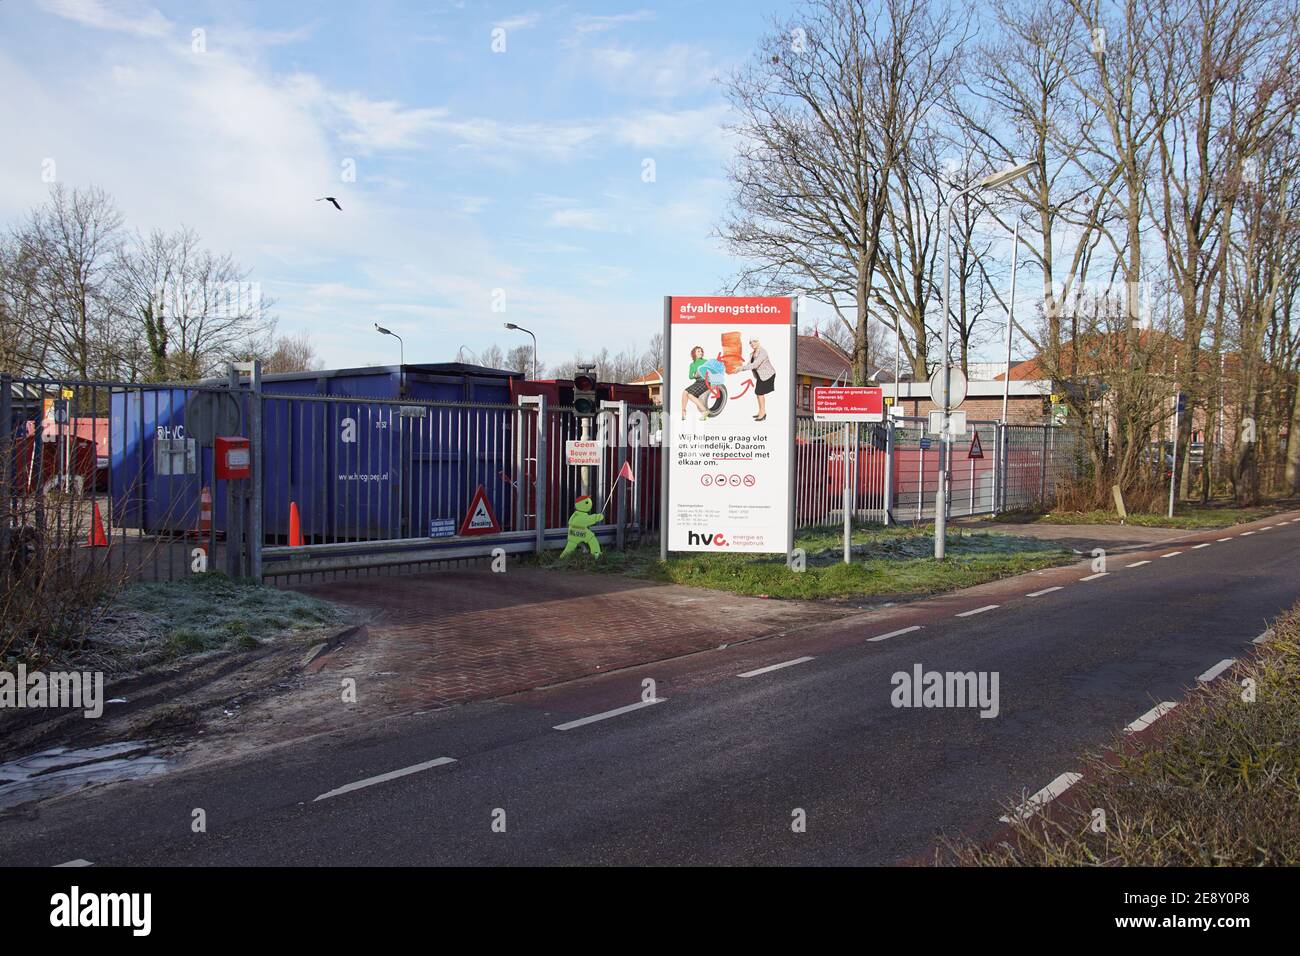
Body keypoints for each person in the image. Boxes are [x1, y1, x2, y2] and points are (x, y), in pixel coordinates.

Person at [738, 337, 776, 421]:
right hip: (760, 375)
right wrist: (739, 369)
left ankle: (763, 414)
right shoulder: (752, 354)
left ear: (758, 342)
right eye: (750, 342)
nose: (752, 344)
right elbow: (749, 364)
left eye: (754, 341)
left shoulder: (763, 352)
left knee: (759, 392)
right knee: (758, 393)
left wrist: (741, 368)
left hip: (767, 375)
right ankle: (761, 412)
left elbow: (755, 365)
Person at [681, 345, 712, 421]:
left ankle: (704, 411)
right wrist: (695, 375)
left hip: (706, 381)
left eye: (701, 351)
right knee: (686, 393)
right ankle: (684, 411)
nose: (700, 352)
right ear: (694, 353)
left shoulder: (705, 361)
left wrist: (703, 373)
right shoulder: (692, 365)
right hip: (698, 382)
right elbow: (690, 376)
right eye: (698, 351)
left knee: (689, 394)